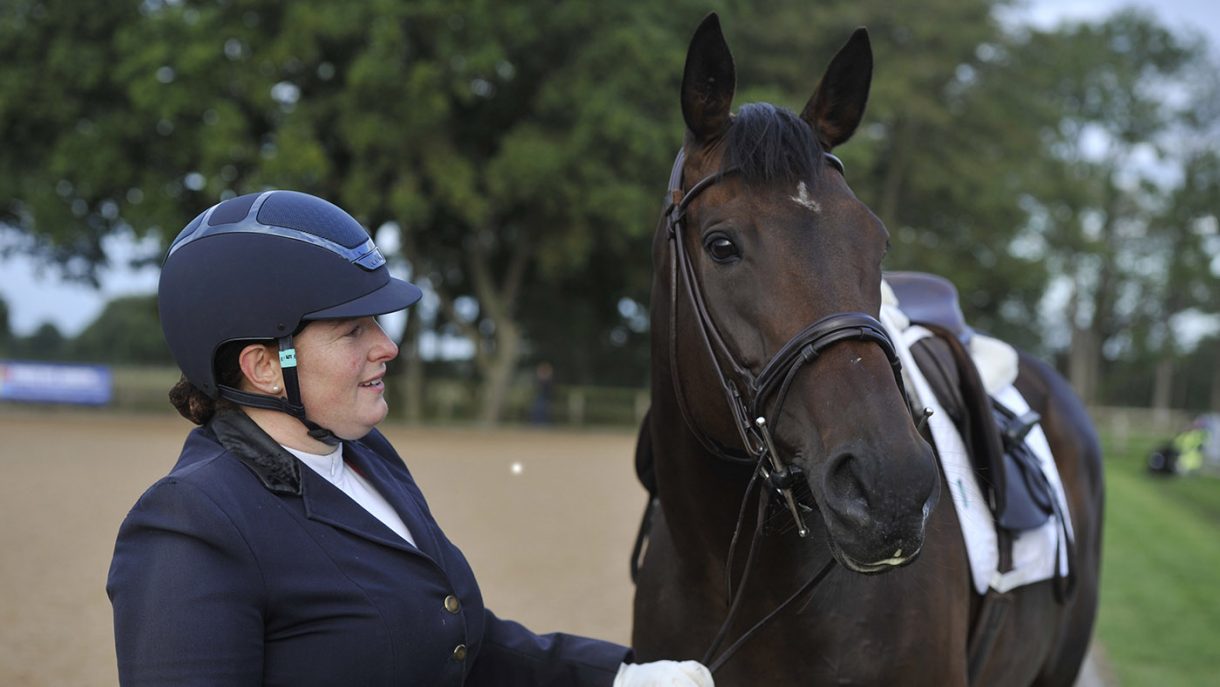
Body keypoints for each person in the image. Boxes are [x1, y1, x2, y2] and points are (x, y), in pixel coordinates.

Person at [106, 190, 713, 686]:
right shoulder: (190, 524)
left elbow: (454, 638)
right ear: (264, 366)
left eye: (377, 322)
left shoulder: (365, 456)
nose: (387, 346)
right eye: (352, 331)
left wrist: (619, 677)